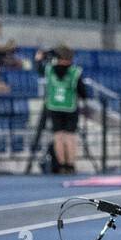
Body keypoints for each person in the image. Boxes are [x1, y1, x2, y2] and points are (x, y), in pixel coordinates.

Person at [40, 45, 87, 174]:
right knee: (70, 137)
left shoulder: (49, 69)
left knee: (58, 136)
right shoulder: (75, 71)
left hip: (54, 106)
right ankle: (70, 165)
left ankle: (61, 165)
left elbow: (39, 66)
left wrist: (40, 57)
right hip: (70, 106)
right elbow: (83, 92)